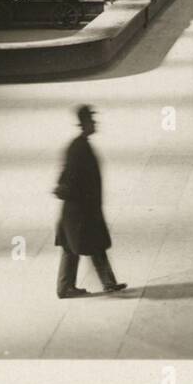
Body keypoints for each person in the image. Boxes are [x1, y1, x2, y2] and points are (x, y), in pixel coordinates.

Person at [54, 105, 126, 299]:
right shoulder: (79, 147)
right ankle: (69, 287)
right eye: (92, 122)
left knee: (78, 247)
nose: (95, 125)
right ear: (84, 124)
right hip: (80, 212)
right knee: (84, 246)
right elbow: (71, 179)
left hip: (79, 210)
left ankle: (99, 283)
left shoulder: (80, 145)